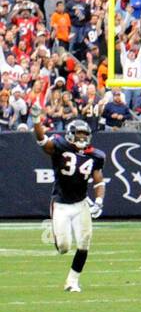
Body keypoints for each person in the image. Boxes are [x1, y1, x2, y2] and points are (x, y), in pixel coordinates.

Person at [34, 119, 104, 292]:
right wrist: (36, 122)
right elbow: (42, 141)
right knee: (64, 247)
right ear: (70, 134)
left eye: (84, 134)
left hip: (81, 203)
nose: (81, 137)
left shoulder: (96, 155)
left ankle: (72, 281)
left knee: (84, 243)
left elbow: (98, 180)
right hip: (61, 203)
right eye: (78, 134)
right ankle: (56, 233)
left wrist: (100, 201)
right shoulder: (60, 146)